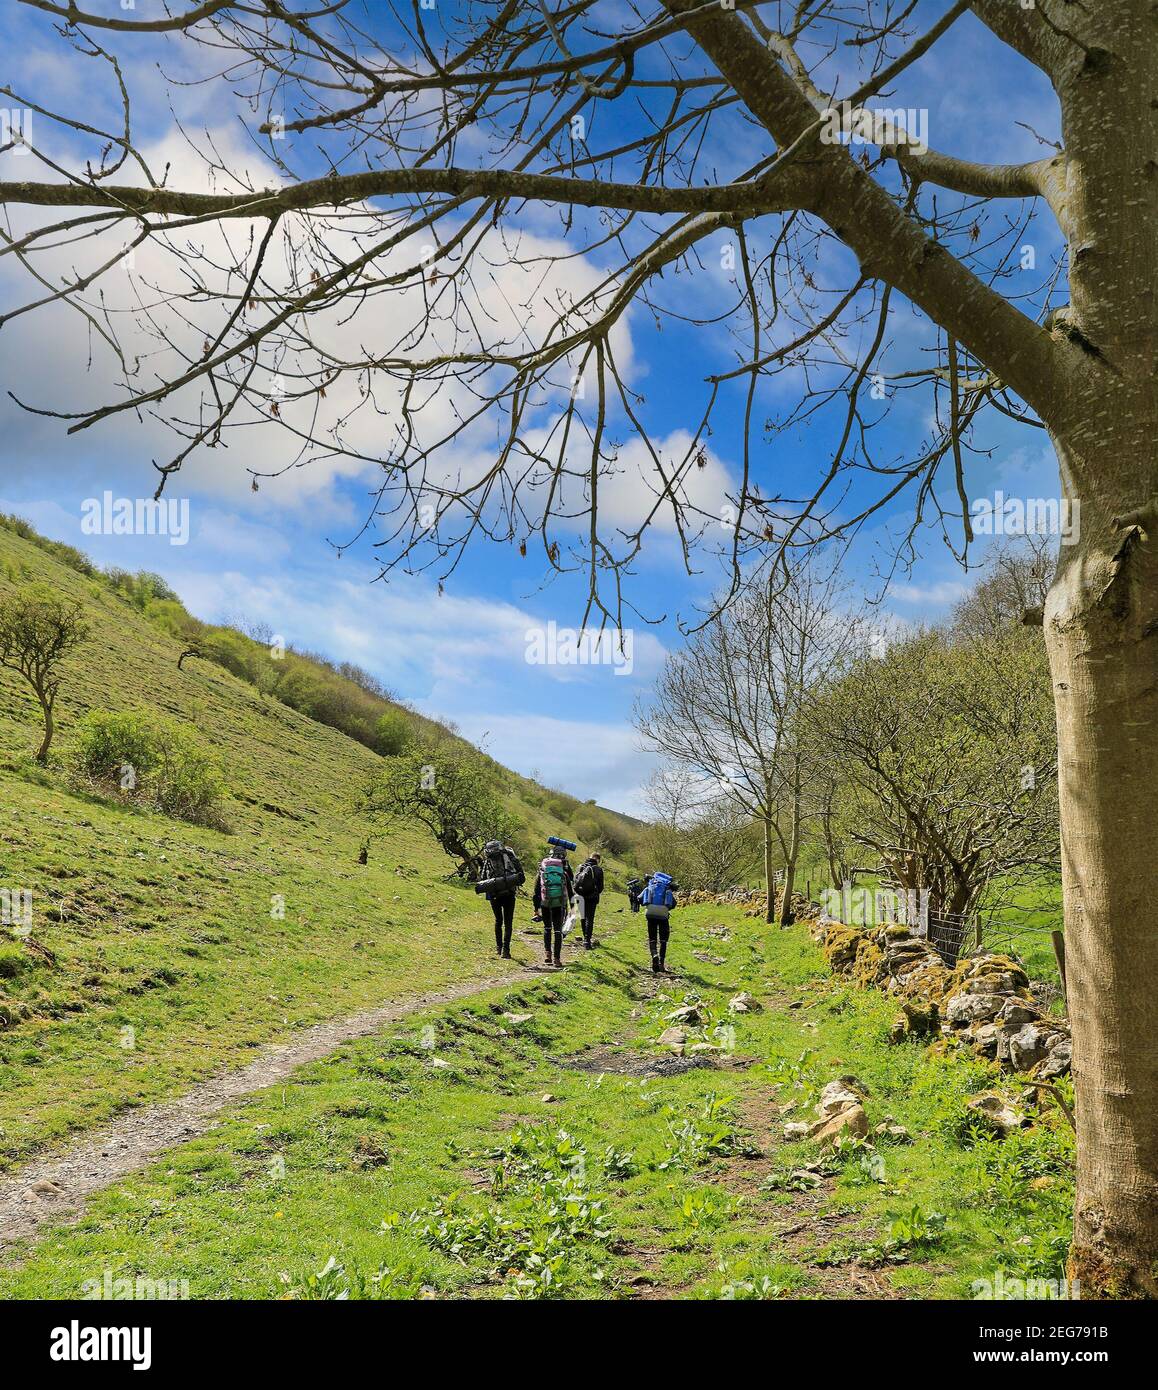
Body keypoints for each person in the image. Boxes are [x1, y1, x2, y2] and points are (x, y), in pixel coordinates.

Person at [479, 839, 524, 958]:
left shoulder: (488, 860)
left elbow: (482, 878)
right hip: (509, 893)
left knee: (498, 921)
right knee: (508, 923)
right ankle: (506, 951)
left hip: (494, 895)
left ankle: (498, 948)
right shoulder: (510, 857)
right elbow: (521, 876)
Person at [533, 843, 574, 966]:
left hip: (545, 903)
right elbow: (571, 891)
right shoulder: (564, 873)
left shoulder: (542, 872)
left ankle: (547, 955)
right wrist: (573, 909)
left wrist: (536, 909)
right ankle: (557, 959)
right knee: (557, 931)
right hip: (560, 904)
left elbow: (536, 893)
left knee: (547, 928)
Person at [640, 871, 678, 973]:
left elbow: (639, 899)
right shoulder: (667, 888)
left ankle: (654, 955)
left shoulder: (650, 886)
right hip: (663, 916)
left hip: (650, 914)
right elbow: (673, 904)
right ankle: (661, 963)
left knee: (652, 938)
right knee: (663, 940)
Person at [573, 851, 605, 948]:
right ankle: (587, 941)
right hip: (592, 897)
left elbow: (575, 881)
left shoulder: (580, 867)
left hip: (580, 895)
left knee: (583, 917)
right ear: (598, 860)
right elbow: (601, 887)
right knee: (589, 919)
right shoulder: (598, 869)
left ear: (590, 857)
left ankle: (584, 937)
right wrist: (595, 892)